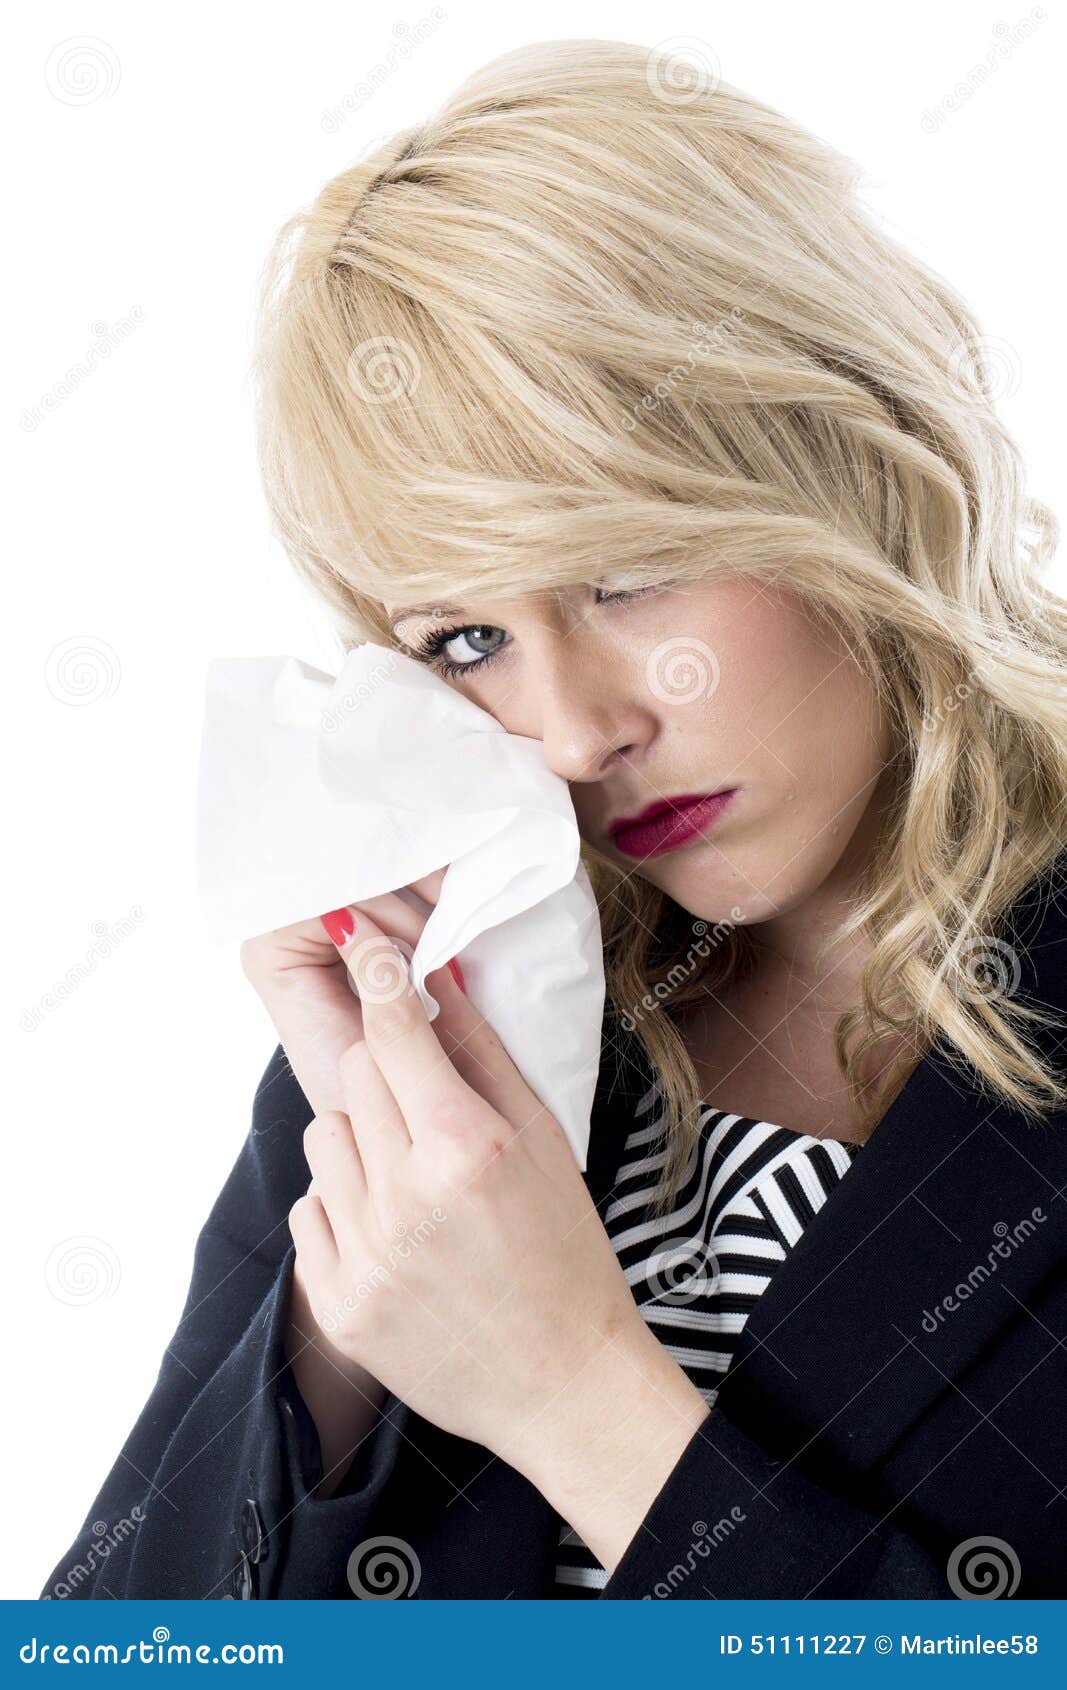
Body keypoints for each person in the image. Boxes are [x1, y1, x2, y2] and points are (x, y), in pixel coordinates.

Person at [42, 38, 1067, 1601]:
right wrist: (339, 1319)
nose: (579, 729)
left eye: (628, 569)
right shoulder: (475, 1002)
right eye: (469, 638)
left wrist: (574, 1388)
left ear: (845, 447)